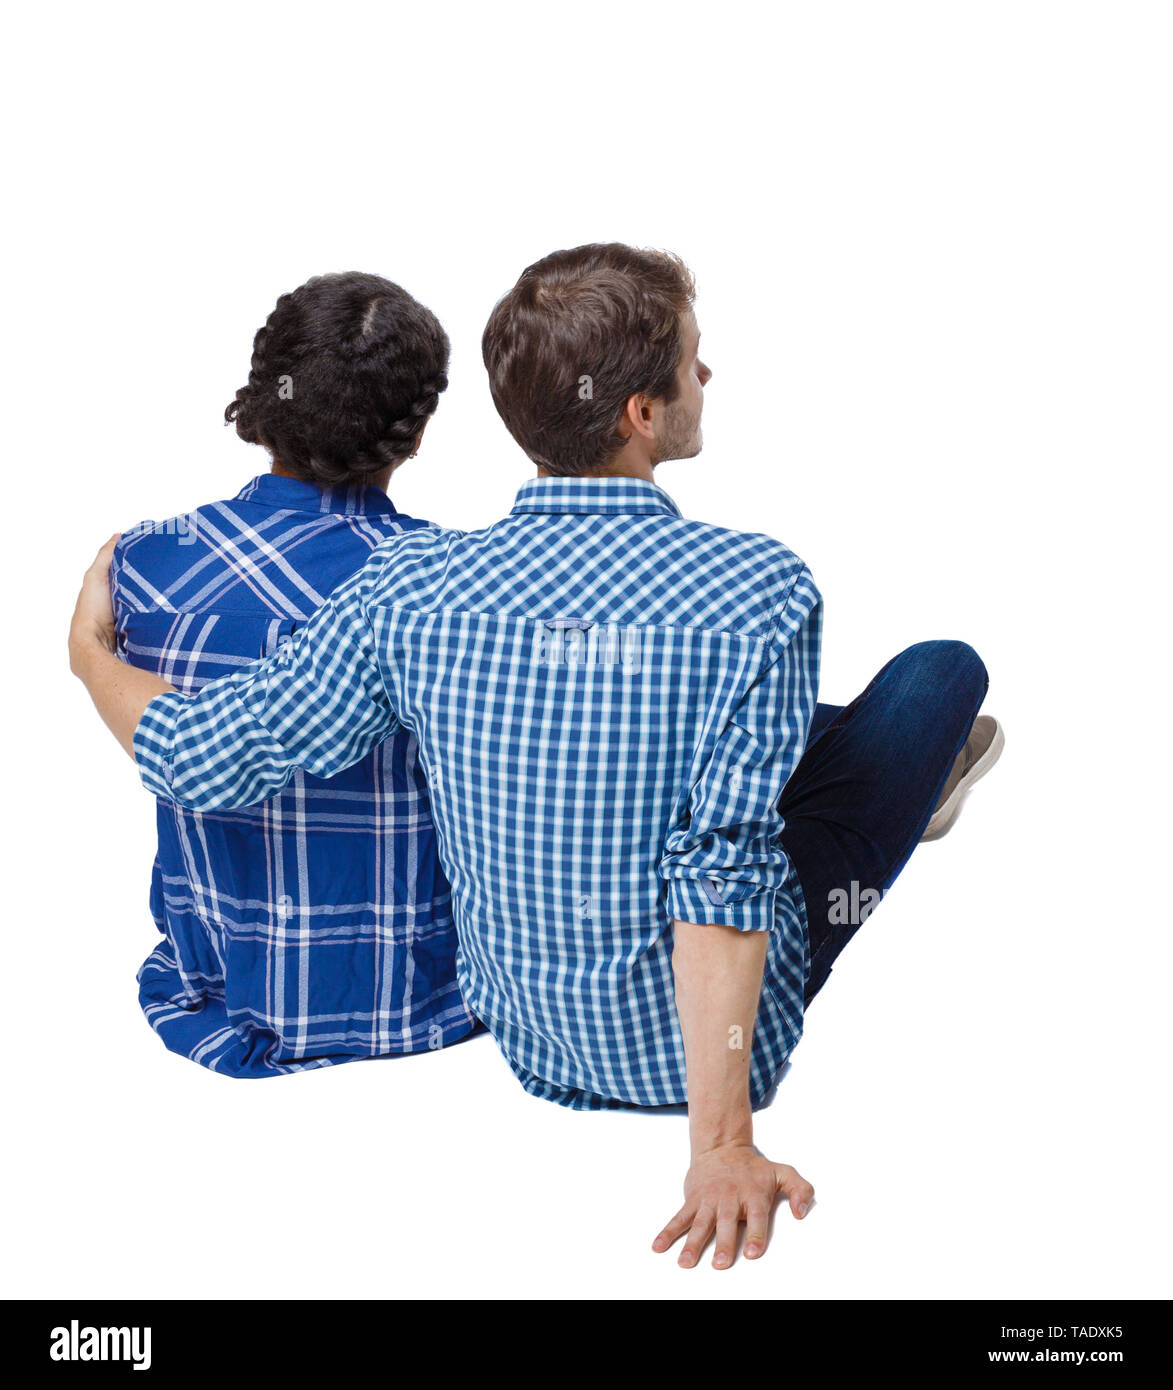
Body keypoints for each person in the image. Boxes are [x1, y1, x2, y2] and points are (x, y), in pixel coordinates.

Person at [70, 244, 1001, 1267]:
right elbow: (719, 880)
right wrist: (722, 1141)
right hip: (702, 1051)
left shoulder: (416, 586)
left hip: (531, 1047)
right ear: (641, 414)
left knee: (712, 719)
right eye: (693, 361)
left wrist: (87, 657)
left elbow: (208, 753)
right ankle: (913, 786)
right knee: (940, 675)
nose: (706, 376)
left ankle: (775, 739)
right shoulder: (760, 587)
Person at [104, 271, 476, 1076]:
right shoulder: (454, 582)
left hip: (210, 991)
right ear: (413, 434)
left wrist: (84, 658)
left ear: (266, 402)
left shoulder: (140, 561)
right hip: (423, 1006)